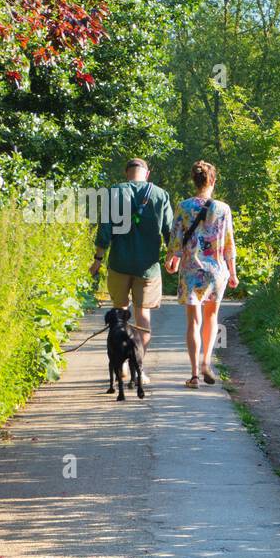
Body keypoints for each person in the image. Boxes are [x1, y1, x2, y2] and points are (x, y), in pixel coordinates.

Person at [90, 158, 173, 380]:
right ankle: (139, 368)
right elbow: (170, 232)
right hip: (148, 267)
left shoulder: (114, 192)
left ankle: (122, 367)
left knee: (120, 316)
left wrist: (98, 258)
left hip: (119, 263)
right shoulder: (160, 194)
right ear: (147, 173)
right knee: (143, 317)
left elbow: (104, 229)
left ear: (127, 173)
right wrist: (172, 258)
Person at [165, 160, 238, 388]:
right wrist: (233, 273)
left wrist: (171, 259)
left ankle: (194, 374)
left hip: (190, 270)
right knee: (211, 318)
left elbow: (176, 237)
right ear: (213, 181)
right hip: (216, 271)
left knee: (193, 322)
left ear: (194, 181)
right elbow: (229, 243)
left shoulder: (184, 206)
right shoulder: (223, 208)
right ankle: (207, 362)